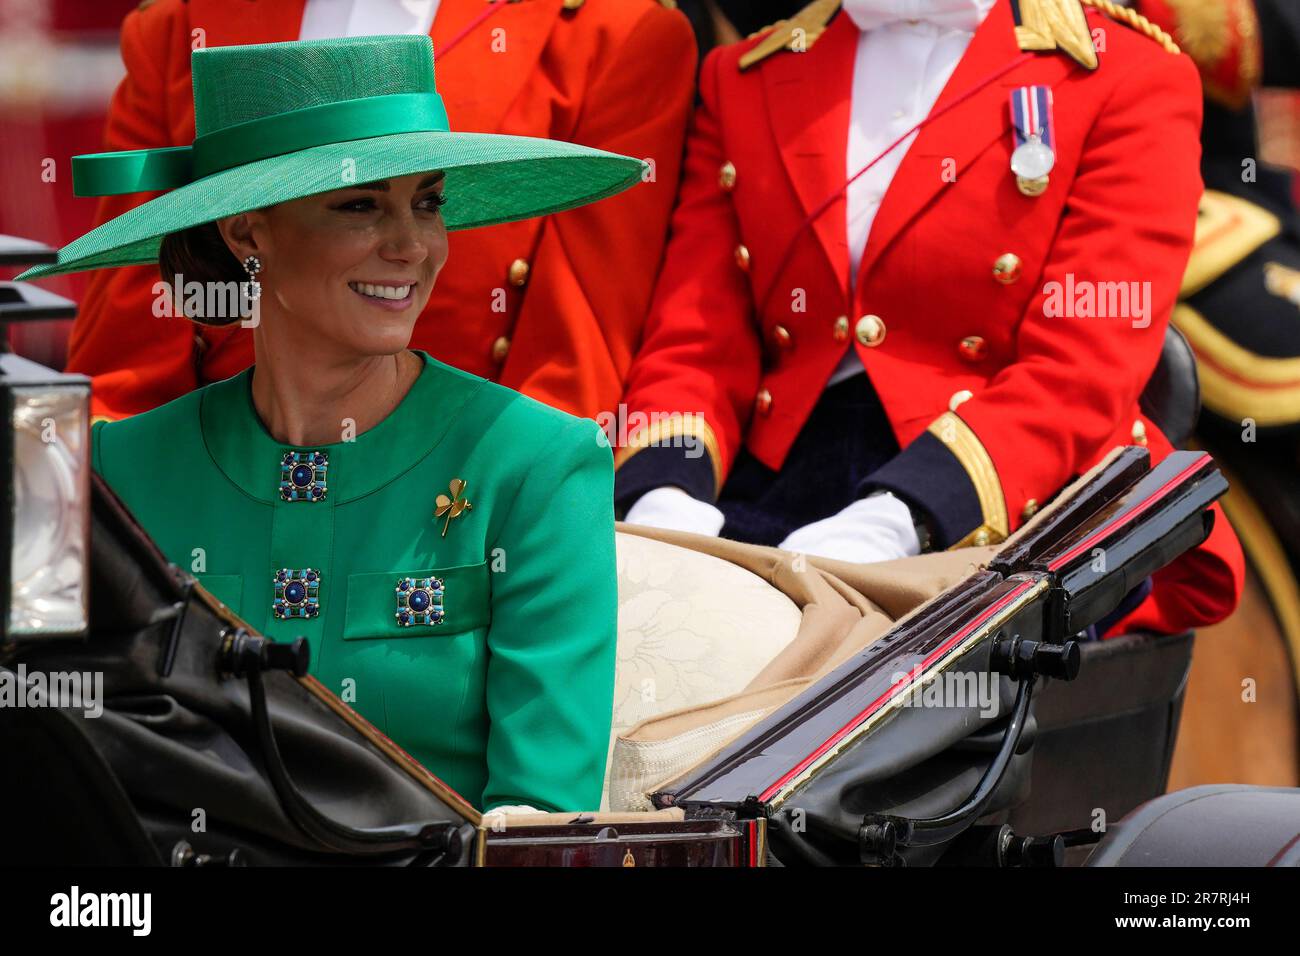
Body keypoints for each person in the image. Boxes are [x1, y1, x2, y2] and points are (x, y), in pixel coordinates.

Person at [21, 34, 638, 815]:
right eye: (360, 205)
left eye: (428, 201)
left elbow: (540, 828)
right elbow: (40, 772)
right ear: (248, 233)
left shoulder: (538, 466)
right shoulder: (107, 470)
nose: (412, 244)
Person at [613, 0, 1245, 635]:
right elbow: (695, 336)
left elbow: (1083, 366)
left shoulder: (1125, 73)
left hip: (1000, 499)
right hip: (770, 487)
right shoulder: (745, 76)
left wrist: (903, 516)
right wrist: (663, 494)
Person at [65, 0, 695, 424]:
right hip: (208, 507)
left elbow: (567, 372)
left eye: (431, 201)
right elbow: (126, 377)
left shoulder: (611, 33)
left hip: (451, 510)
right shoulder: (180, 23)